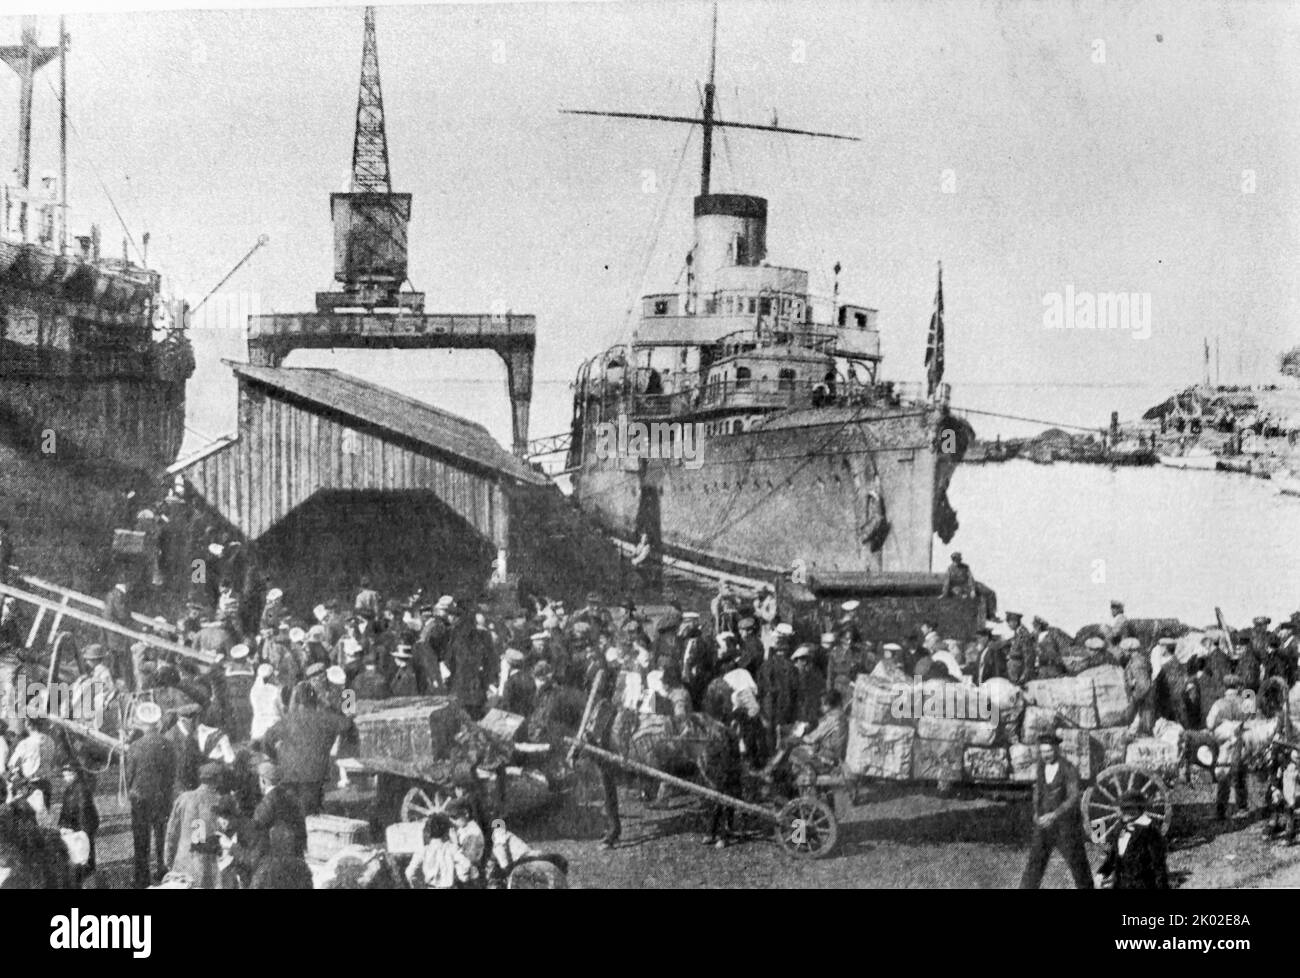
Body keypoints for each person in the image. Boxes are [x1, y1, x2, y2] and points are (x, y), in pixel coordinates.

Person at [261, 683, 352, 816]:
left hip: (290, 774)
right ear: (315, 700)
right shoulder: (325, 718)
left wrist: (277, 757)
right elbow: (347, 724)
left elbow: (266, 741)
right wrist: (329, 706)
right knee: (311, 810)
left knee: (295, 813)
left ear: (296, 701)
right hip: (317, 775)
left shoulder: (288, 721)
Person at [1019, 733, 1093, 889]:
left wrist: (1054, 815)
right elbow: (1038, 790)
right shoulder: (1040, 767)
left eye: (1050, 751)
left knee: (1078, 865)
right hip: (1044, 825)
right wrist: (1036, 812)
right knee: (1034, 864)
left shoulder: (1068, 769)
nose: (1046, 755)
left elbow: (1073, 798)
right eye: (1043, 752)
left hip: (1065, 827)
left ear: (1057, 750)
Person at [125, 702, 175, 888]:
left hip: (140, 798)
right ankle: (163, 869)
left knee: (141, 838)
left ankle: (141, 878)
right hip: (162, 796)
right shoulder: (167, 744)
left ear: (143, 724)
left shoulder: (135, 746)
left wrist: (132, 789)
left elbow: (129, 774)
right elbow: (171, 773)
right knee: (162, 834)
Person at [164, 762, 226, 889]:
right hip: (210, 867)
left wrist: (169, 858)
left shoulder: (184, 798)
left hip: (184, 862)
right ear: (218, 779)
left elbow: (172, 833)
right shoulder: (221, 802)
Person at [1095, 790, 1169, 889]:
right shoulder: (1121, 828)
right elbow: (1113, 857)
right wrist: (1101, 873)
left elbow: (1159, 867)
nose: (1120, 812)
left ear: (1135, 811)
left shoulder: (1150, 832)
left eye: (1123, 809)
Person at [1206, 676, 1253, 821]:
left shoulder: (1218, 704)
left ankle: (1221, 810)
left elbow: (1209, 724)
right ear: (1238, 687)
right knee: (1240, 774)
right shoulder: (1247, 701)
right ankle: (1242, 807)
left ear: (1225, 687)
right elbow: (1252, 721)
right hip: (1242, 741)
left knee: (1223, 775)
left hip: (1225, 744)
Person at [251, 761, 307, 863]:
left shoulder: (265, 804)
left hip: (274, 859)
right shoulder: (291, 797)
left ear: (263, 780)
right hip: (295, 855)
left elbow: (256, 833)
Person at [57, 762, 100, 886]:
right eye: (64, 775)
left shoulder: (81, 790)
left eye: (68, 775)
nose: (66, 778)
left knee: (86, 854)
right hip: (76, 827)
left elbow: (83, 812)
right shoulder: (69, 790)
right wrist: (63, 826)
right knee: (80, 855)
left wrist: (81, 831)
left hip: (83, 827)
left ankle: (88, 880)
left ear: (75, 774)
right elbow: (64, 810)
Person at [406, 812, 473, 889]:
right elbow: (466, 864)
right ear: (446, 831)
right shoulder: (451, 849)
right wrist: (461, 876)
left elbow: (409, 873)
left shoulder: (423, 851)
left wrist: (417, 886)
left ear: (429, 831)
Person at [250, 823, 315, 889]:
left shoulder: (264, 868)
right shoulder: (301, 867)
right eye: (286, 844)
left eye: (289, 843)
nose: (289, 847)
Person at [446, 797, 485, 886]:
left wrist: (455, 843)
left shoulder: (473, 833)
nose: (453, 821)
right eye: (450, 818)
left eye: (455, 818)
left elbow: (468, 861)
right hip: (463, 876)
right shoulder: (464, 827)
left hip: (469, 879)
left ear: (466, 814)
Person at [791, 645, 827, 727]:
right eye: (802, 659)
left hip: (811, 713)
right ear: (796, 661)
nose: (805, 663)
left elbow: (821, 693)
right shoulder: (792, 675)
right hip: (798, 714)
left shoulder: (815, 675)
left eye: (806, 660)